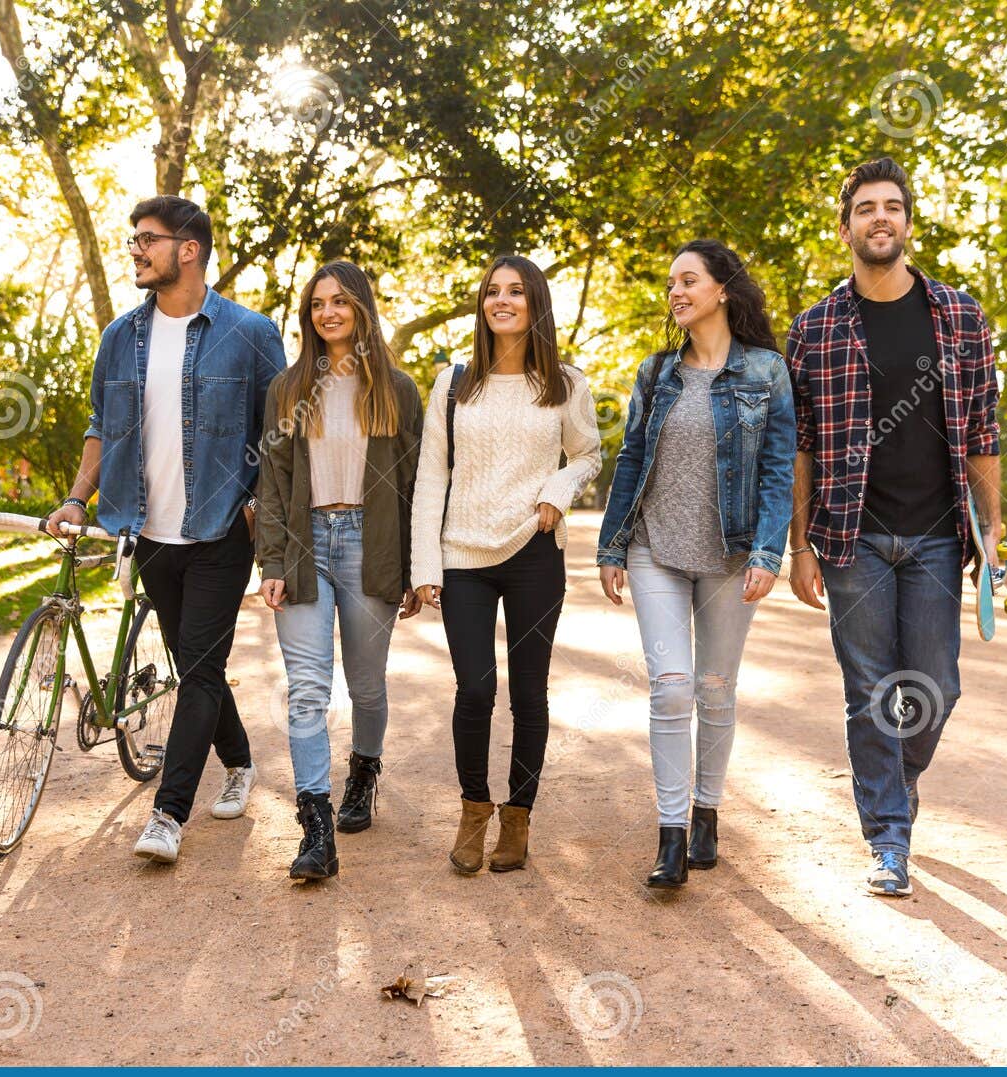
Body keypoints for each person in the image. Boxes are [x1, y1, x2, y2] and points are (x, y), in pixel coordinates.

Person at [46, 194, 287, 865]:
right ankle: (240, 762)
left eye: (146, 239)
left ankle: (168, 814)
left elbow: (279, 431)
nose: (135, 250)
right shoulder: (119, 336)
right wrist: (76, 499)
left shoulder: (251, 332)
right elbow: (101, 426)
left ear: (188, 249)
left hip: (219, 532)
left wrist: (258, 503)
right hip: (148, 530)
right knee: (196, 665)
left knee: (200, 670)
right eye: (133, 240)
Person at [785, 157, 1002, 898]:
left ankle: (898, 781)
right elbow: (801, 445)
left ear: (907, 221)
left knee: (938, 686)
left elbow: (983, 432)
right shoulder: (814, 328)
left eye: (893, 206)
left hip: (940, 535)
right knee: (870, 691)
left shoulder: (960, 316)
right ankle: (888, 836)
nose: (881, 218)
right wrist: (799, 545)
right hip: (853, 537)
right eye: (866, 208)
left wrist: (994, 530)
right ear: (845, 226)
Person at [596, 240, 794, 889]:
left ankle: (707, 811)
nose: (676, 292)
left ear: (722, 290)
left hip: (731, 555)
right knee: (673, 685)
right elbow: (630, 458)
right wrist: (612, 545)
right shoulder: (656, 372)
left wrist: (768, 551)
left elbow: (777, 469)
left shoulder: (766, 371)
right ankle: (671, 835)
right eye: (671, 283)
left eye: (689, 280)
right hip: (656, 547)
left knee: (714, 687)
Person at [409, 255, 601, 874]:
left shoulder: (565, 383)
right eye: (493, 291)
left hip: (533, 554)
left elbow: (588, 454)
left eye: (516, 291)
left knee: (528, 693)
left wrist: (557, 491)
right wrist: (425, 566)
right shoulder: (454, 382)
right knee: (474, 688)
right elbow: (431, 475)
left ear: (535, 303)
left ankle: (518, 818)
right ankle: (473, 810)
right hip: (463, 556)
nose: (502, 300)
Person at [254, 260, 424, 880]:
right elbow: (272, 483)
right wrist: (272, 559)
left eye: (341, 302)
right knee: (306, 689)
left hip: (369, 545)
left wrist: (415, 567)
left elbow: (417, 483)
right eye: (318, 303)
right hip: (305, 546)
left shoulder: (398, 391)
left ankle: (364, 771)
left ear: (361, 310)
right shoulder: (288, 389)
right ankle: (315, 828)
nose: (328, 312)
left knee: (367, 685)